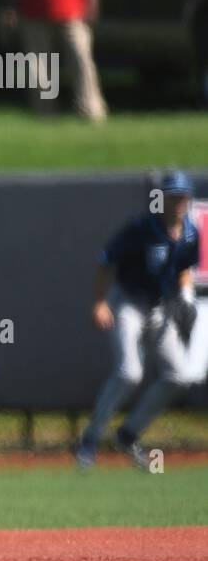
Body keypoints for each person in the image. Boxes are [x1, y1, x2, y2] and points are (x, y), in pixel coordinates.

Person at [78, 171, 201, 470]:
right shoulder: (142, 228)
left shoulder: (189, 233)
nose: (179, 202)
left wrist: (185, 295)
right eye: (173, 196)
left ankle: (127, 434)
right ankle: (90, 439)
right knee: (129, 372)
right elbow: (105, 260)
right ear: (163, 199)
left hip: (161, 307)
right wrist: (99, 302)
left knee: (179, 376)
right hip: (129, 303)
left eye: (183, 196)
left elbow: (184, 268)